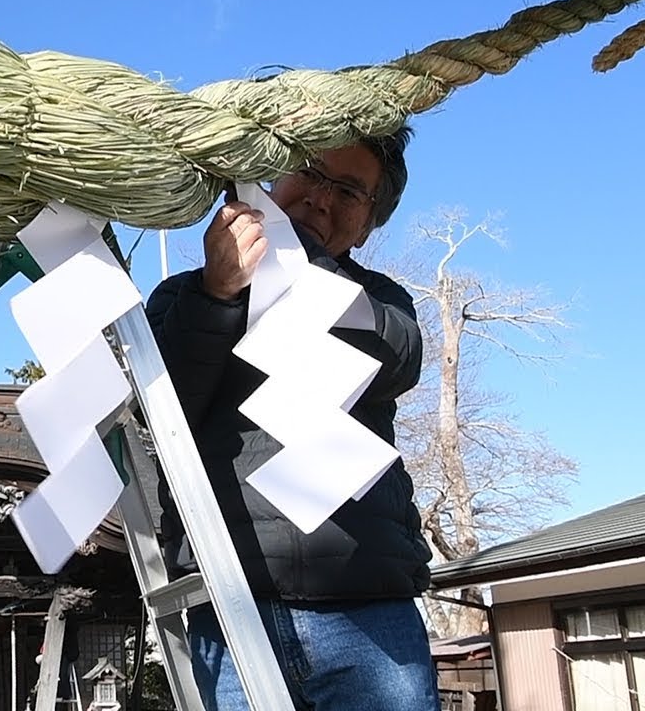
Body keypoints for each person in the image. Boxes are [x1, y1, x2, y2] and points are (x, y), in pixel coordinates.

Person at [146, 127, 437, 710]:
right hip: (231, 601)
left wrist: (299, 265)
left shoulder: (380, 298)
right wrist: (218, 295)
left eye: (348, 192)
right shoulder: (182, 295)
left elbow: (399, 359)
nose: (321, 198)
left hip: (369, 598)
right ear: (269, 180)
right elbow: (160, 406)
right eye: (308, 171)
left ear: (368, 223)